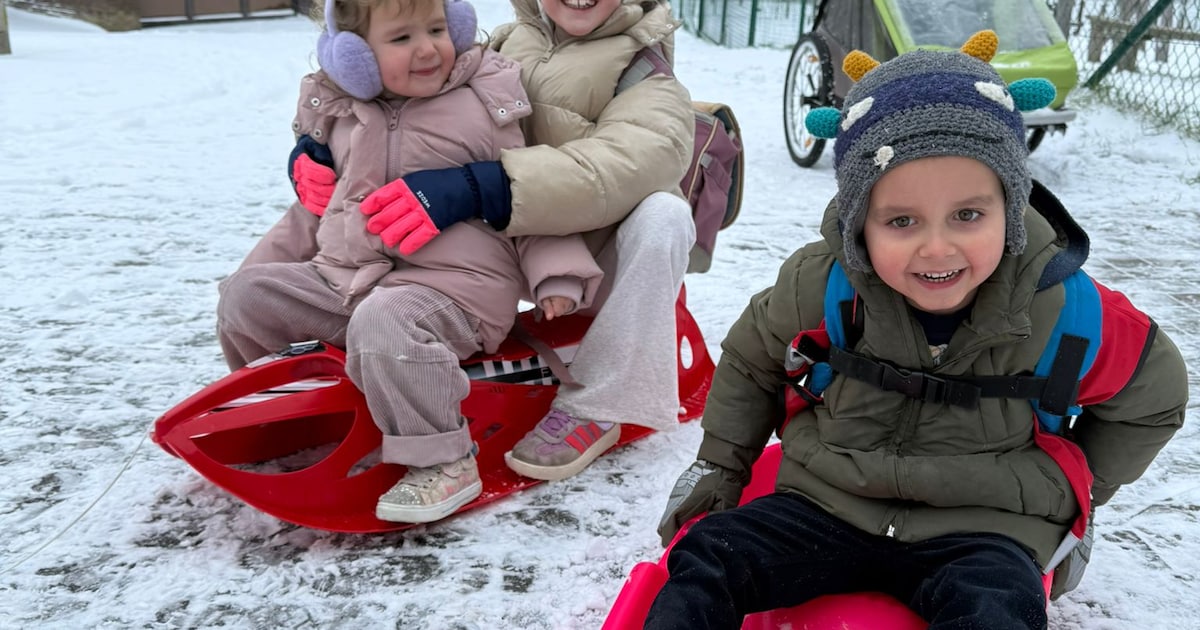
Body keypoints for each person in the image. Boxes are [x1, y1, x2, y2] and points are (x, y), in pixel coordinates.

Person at [648, 31, 1187, 629]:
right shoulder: (821, 286)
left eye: (969, 215)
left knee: (997, 613)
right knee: (708, 561)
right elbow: (752, 360)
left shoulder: (1067, 311)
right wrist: (721, 468)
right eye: (901, 220)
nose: (937, 247)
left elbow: (1154, 397)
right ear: (860, 226)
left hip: (984, 528)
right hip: (826, 503)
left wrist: (1076, 488)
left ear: (1010, 205)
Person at [217, 0, 604, 523]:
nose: (427, 48)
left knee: (388, 322)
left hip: (456, 287)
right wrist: (254, 274)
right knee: (246, 297)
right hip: (348, 279)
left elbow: (524, 194)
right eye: (401, 38)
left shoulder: (481, 105)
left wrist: (556, 272)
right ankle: (298, 411)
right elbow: (315, 212)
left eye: (438, 29)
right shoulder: (339, 116)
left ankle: (444, 460)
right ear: (355, 56)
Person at [286, 0, 698, 481]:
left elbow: (625, 163)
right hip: (506, 245)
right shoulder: (506, 44)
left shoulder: (646, 73)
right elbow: (400, 114)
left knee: (665, 215)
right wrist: (317, 149)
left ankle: (598, 404)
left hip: (598, 251)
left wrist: (485, 185)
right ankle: (375, 349)